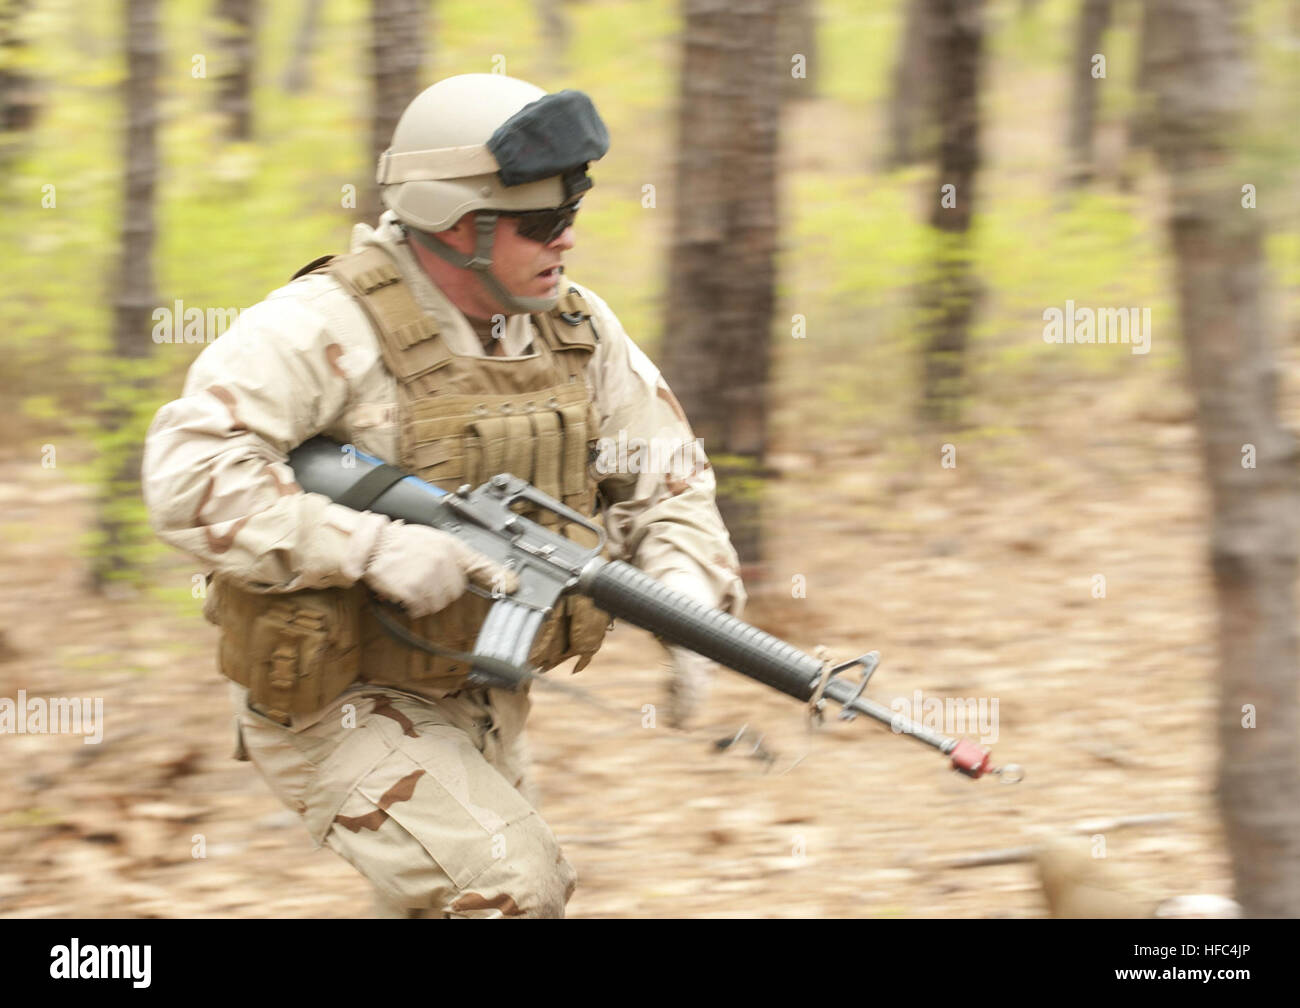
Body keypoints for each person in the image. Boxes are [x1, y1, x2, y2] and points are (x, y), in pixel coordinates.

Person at [141, 73, 746, 918]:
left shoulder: (574, 329)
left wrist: (687, 599)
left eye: (572, 215)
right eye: (541, 223)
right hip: (334, 696)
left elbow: (667, 477)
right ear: (456, 222)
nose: (566, 241)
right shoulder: (324, 324)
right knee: (511, 884)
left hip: (479, 690)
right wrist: (370, 546)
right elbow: (186, 472)